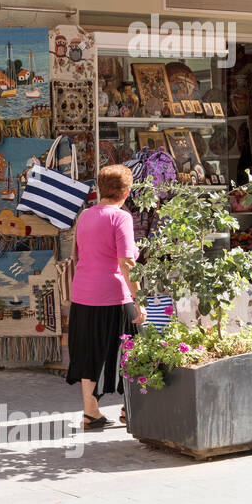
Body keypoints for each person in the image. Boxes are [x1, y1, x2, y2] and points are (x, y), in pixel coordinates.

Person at [68, 164, 145, 430]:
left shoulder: (85, 216)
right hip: (114, 294)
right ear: (125, 192)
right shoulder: (121, 217)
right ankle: (130, 408)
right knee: (131, 351)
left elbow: (78, 255)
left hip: (83, 293)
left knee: (89, 351)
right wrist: (139, 298)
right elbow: (126, 262)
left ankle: (91, 411)